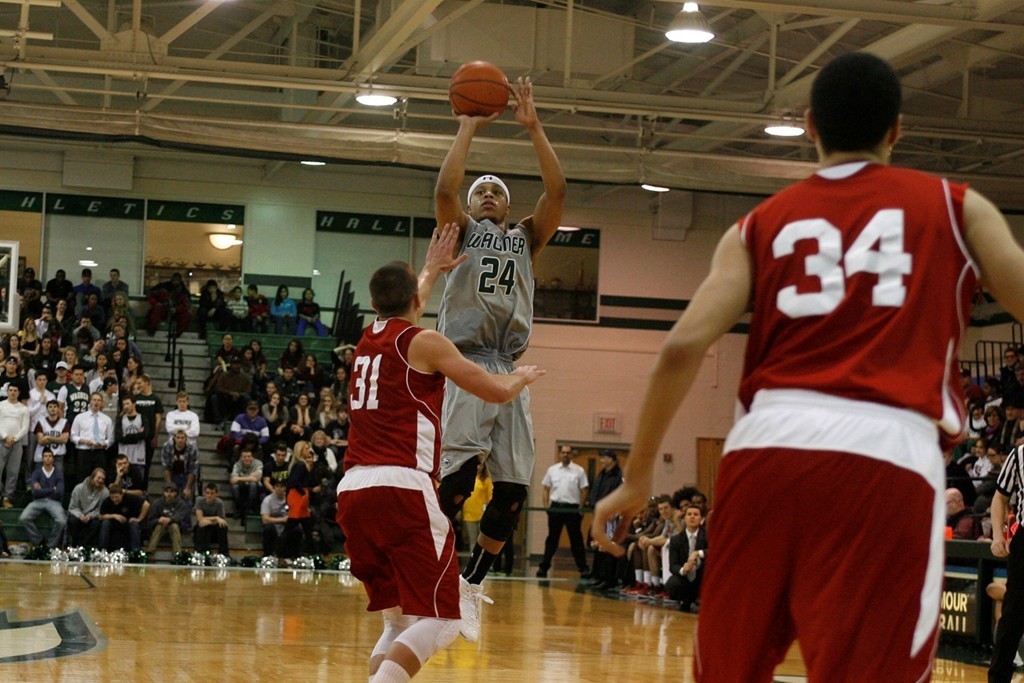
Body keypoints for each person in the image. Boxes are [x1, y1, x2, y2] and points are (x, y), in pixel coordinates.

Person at [591, 51, 1024, 683]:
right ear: (897, 129)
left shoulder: (757, 225)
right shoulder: (958, 208)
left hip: (765, 449)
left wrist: (634, 478)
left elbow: (681, 347)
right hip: (890, 456)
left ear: (811, 125)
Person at [336, 231, 544, 683]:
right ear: (415, 299)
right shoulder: (427, 342)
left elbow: (405, 304)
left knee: (398, 621)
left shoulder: (366, 339)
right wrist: (520, 377)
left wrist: (430, 269)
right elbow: (493, 390)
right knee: (444, 617)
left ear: (375, 303)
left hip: (352, 489)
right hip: (401, 487)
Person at [432, 76, 566, 621]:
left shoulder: (526, 237)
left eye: (497, 192)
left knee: (511, 493)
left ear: (508, 207)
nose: (488, 195)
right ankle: (431, 569)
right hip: (463, 364)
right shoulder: (460, 230)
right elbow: (445, 191)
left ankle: (471, 582)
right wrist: (466, 128)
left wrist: (535, 129)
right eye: (480, 191)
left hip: (508, 367)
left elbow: (557, 193)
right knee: (458, 481)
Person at [536, 445, 589, 578]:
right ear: (560, 454)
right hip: (556, 508)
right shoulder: (552, 470)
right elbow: (545, 488)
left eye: (568, 453)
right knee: (552, 539)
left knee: (576, 540)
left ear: (572, 455)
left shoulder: (579, 471)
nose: (566, 455)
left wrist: (581, 509)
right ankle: (544, 568)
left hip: (572, 509)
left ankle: (583, 569)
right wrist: (546, 506)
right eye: (563, 452)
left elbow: (584, 490)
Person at [587, 449, 623, 590]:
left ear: (612, 459)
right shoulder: (602, 474)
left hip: (611, 516)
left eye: (604, 457)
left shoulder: (618, 476)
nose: (601, 460)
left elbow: (618, 495)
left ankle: (610, 578)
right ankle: (599, 575)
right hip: (600, 514)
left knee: (607, 545)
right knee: (598, 545)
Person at [18, 448, 66, 548]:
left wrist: (42, 490)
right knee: (23, 518)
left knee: (62, 521)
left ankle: (51, 545)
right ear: (42, 458)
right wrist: (52, 489)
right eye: (45, 456)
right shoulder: (36, 473)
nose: (47, 458)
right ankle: (39, 540)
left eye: (50, 456)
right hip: (37, 501)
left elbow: (60, 492)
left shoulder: (58, 473)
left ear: (53, 458)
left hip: (54, 502)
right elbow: (35, 493)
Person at [665, 504, 708, 613]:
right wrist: (683, 569)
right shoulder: (676, 539)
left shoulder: (708, 535)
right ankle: (686, 600)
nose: (692, 517)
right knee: (671, 584)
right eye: (689, 514)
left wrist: (697, 553)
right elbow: (673, 565)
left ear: (701, 519)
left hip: (704, 575)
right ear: (685, 518)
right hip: (686, 577)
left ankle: (698, 600)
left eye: (695, 514)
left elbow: (715, 551)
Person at [70, 392, 114, 482]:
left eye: (99, 400)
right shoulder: (80, 417)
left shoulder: (107, 419)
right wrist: (84, 441)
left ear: (102, 403)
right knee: (83, 477)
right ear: (90, 402)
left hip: (99, 452)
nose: (96, 402)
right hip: (84, 452)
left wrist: (103, 444)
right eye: (94, 400)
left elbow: (111, 438)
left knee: (99, 477)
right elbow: (73, 436)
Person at [0, 382, 30, 508]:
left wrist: (15, 438)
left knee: (13, 472)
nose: (12, 392)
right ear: (7, 391)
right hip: (1, 440)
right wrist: (5, 437)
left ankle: (7, 497)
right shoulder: (1, 405)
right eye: (10, 390)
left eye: (15, 390)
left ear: (18, 392)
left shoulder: (23, 409)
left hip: (16, 443)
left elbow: (25, 427)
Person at [98, 483, 149, 551]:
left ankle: (136, 551)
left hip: (129, 522)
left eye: (116, 497)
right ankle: (102, 550)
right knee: (105, 523)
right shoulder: (107, 501)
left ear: (122, 494)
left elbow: (146, 504)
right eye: (112, 497)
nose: (114, 499)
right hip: (114, 523)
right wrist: (114, 516)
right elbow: (101, 516)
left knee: (134, 524)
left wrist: (139, 518)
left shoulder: (130, 498)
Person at [66, 467, 109, 547]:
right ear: (92, 477)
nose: (100, 481)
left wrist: (90, 516)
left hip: (92, 516)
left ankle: (83, 545)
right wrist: (81, 516)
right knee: (72, 521)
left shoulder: (105, 492)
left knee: (96, 524)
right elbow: (72, 507)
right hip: (79, 514)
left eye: (103, 479)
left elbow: (100, 509)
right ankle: (74, 544)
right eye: (98, 478)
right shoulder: (79, 488)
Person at [146, 484, 191, 553]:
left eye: (171, 492)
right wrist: (158, 520)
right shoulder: (157, 503)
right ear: (164, 493)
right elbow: (150, 520)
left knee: (174, 526)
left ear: (176, 493)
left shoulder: (181, 503)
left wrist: (170, 520)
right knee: (159, 526)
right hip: (160, 526)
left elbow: (181, 517)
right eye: (167, 491)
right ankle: (150, 550)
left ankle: (177, 553)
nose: (169, 494)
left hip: (176, 527)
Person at [160, 430, 199, 500]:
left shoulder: (192, 448)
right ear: (174, 438)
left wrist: (188, 488)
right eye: (178, 437)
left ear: (186, 438)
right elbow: (165, 466)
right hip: (172, 473)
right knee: (170, 496)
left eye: (182, 438)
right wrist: (169, 486)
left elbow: (193, 469)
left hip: (186, 475)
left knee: (187, 499)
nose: (180, 440)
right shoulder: (167, 446)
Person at [193, 482, 230, 556]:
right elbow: (200, 520)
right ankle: (201, 553)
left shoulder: (219, 503)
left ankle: (224, 554)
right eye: (207, 493)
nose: (209, 495)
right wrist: (216, 518)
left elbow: (222, 521)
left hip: (214, 529)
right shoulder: (199, 501)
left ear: (216, 494)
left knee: (223, 527)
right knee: (202, 527)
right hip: (202, 529)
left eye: (212, 493)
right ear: (204, 493)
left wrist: (208, 521)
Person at [229, 447, 263, 522]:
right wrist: (250, 477)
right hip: (241, 487)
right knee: (234, 487)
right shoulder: (237, 465)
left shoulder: (258, 463)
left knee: (253, 485)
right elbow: (232, 480)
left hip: (256, 488)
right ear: (241, 458)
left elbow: (255, 479)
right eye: (245, 457)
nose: (247, 458)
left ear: (252, 457)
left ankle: (249, 507)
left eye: (249, 456)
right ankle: (239, 508)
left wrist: (239, 478)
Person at [260, 479, 288, 556]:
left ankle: (292, 555)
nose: (279, 488)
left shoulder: (290, 499)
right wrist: (282, 520)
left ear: (285, 488)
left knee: (297, 528)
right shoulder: (267, 500)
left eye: (281, 486)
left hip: (286, 526)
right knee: (268, 528)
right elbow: (265, 519)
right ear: (274, 487)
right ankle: (267, 555)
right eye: (277, 486)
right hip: (274, 526)